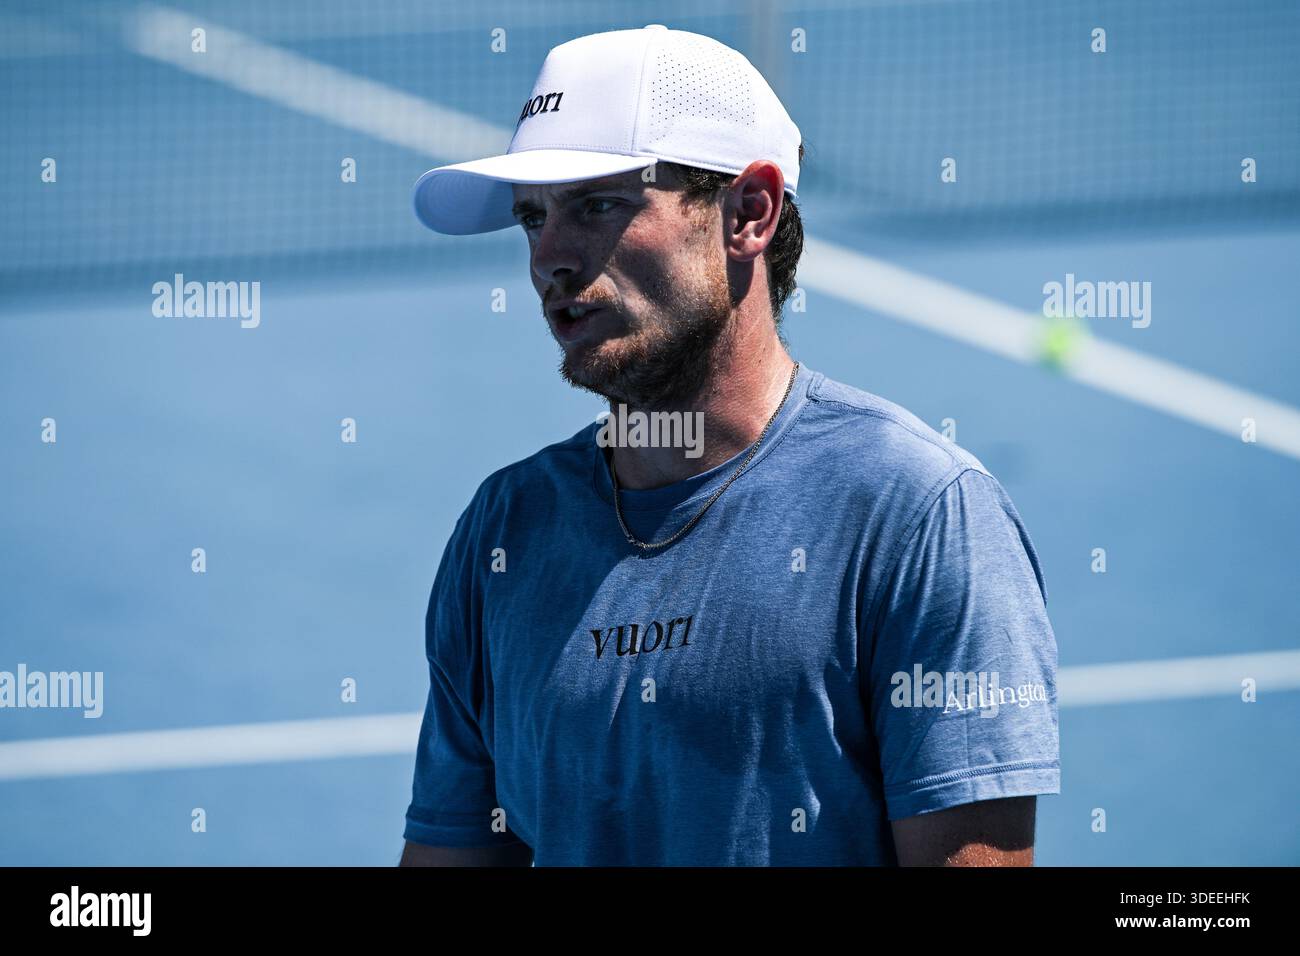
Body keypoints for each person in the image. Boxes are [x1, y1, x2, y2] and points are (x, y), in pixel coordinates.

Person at [400, 24, 1059, 866]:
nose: (550, 261)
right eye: (533, 219)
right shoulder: (503, 531)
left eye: (599, 204)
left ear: (748, 212)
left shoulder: (918, 515)